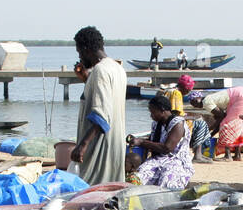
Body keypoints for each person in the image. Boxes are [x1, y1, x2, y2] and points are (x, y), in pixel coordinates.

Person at [70, 26, 127, 185]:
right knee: (111, 189)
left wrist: (82, 145)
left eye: (79, 52)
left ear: (87, 49)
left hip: (100, 145)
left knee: (89, 189)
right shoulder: (117, 68)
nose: (80, 57)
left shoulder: (100, 71)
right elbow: (106, 100)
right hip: (116, 143)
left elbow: (102, 114)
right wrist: (87, 80)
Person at [127, 94, 193, 187]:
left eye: (153, 112)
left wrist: (141, 142)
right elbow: (152, 142)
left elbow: (167, 148)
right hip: (157, 160)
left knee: (167, 179)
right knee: (137, 177)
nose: (151, 115)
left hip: (176, 160)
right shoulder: (156, 124)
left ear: (162, 110)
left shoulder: (177, 123)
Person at [214, 86, 243, 161]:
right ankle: (237, 155)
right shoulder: (222, 96)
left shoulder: (210, 100)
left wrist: (211, 133)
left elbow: (220, 116)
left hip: (242, 96)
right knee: (241, 125)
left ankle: (228, 155)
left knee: (226, 125)